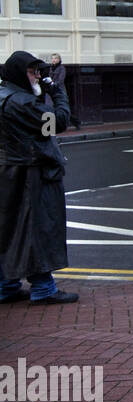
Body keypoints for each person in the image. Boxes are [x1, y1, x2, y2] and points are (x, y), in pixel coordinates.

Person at [0, 52, 78, 304]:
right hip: (32, 173)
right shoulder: (22, 103)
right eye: (32, 72)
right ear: (19, 73)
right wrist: (56, 92)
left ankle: (7, 285)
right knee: (40, 228)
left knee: (9, 230)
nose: (37, 76)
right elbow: (59, 122)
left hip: (8, 171)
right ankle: (43, 288)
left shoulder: (5, 97)